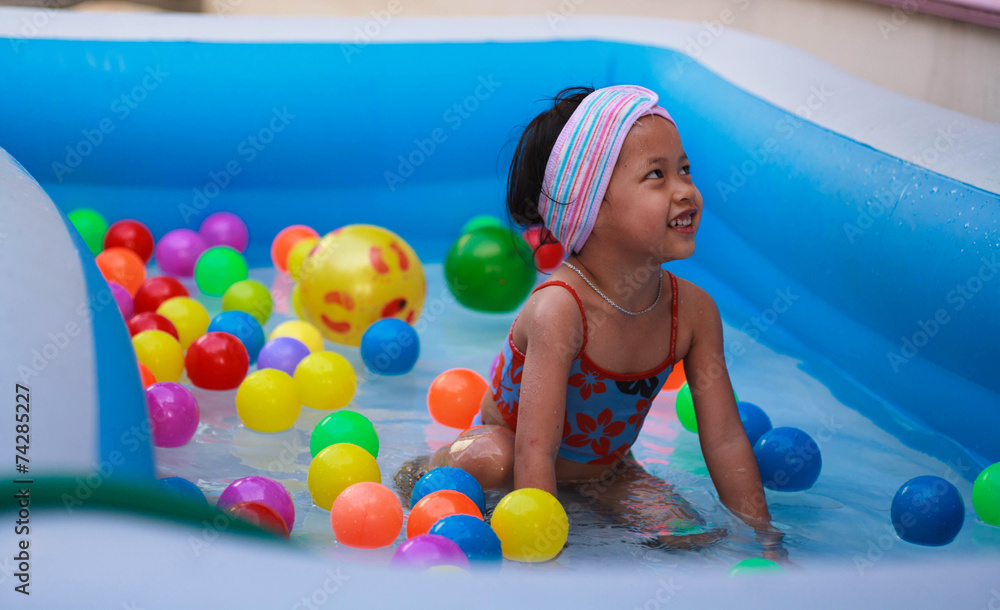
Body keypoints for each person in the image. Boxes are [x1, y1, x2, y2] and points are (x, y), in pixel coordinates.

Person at [397, 84, 785, 558]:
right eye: (657, 175)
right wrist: (546, 553)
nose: (685, 190)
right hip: (512, 454)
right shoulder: (561, 310)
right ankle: (426, 470)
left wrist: (764, 537)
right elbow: (534, 451)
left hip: (607, 469)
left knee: (689, 537)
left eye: (684, 169)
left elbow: (724, 439)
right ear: (592, 207)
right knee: (490, 461)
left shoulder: (694, 312)